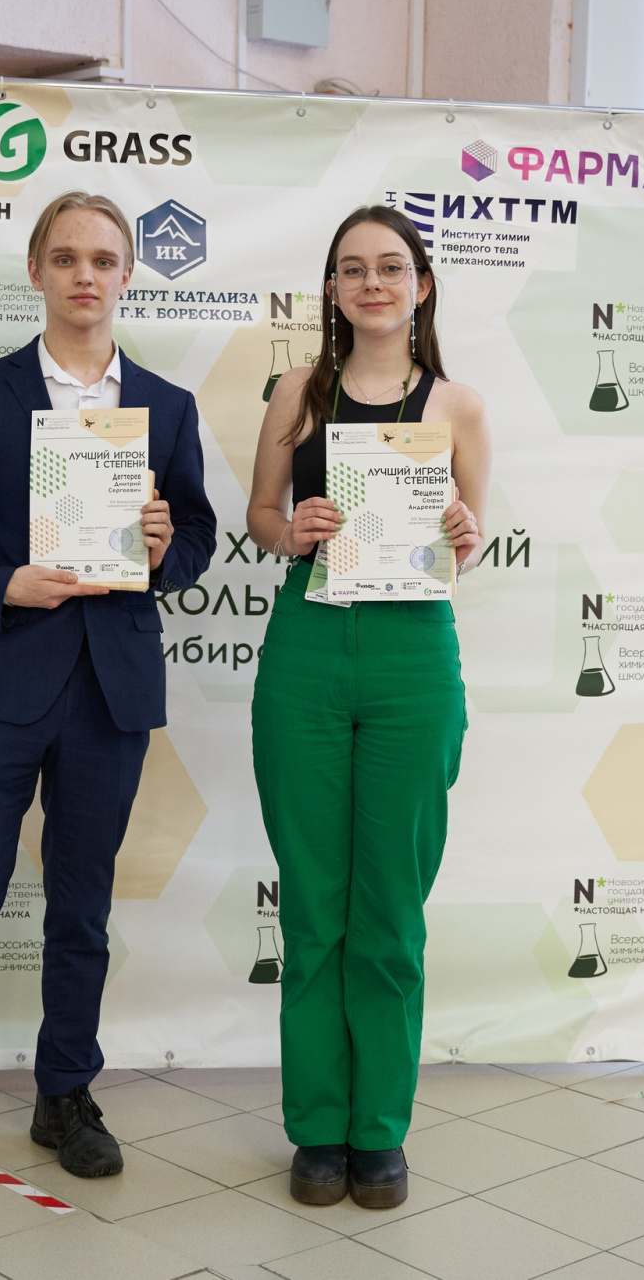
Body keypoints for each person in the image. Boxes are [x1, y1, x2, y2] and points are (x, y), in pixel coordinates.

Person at [0, 192, 216, 1183]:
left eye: (103, 259)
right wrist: (1, 583)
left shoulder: (166, 405)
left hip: (111, 687)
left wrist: (160, 550)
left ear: (126, 276)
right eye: (65, 257)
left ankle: (64, 1094)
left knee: (81, 908)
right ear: (36, 272)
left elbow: (195, 536)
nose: (85, 274)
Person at [245, 205, 489, 1209]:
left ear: (421, 285)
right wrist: (291, 527)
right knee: (313, 908)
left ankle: (378, 1130)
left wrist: (465, 529)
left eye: (391, 267)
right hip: (307, 648)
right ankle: (317, 1128)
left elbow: (472, 538)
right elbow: (260, 517)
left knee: (389, 911)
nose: (372, 284)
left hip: (411, 658)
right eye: (352, 269)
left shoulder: (457, 405)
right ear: (332, 289)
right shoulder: (297, 391)